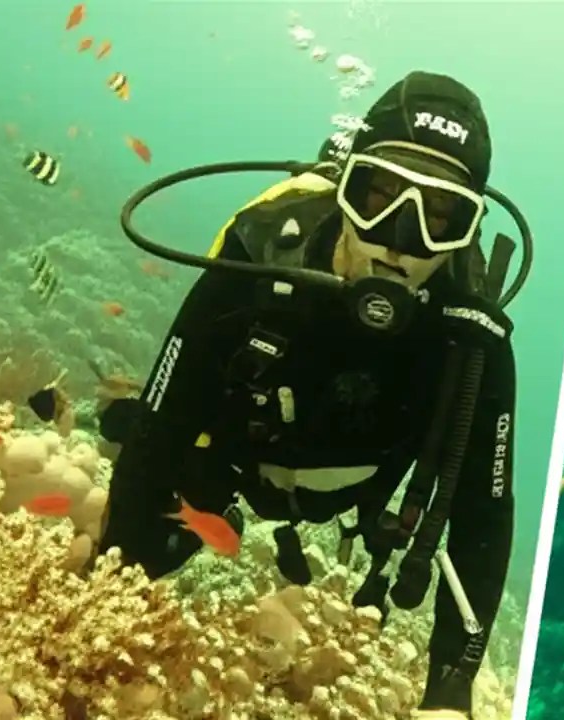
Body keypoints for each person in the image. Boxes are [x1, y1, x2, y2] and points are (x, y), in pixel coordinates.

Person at [96, 70, 520, 720]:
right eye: (379, 196)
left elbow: (483, 519)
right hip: (231, 466)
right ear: (345, 184)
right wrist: (110, 575)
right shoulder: (258, 255)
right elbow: (162, 420)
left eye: (441, 217)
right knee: (150, 549)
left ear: (468, 229)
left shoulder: (471, 339)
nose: (400, 240)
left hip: (364, 506)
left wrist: (450, 692)